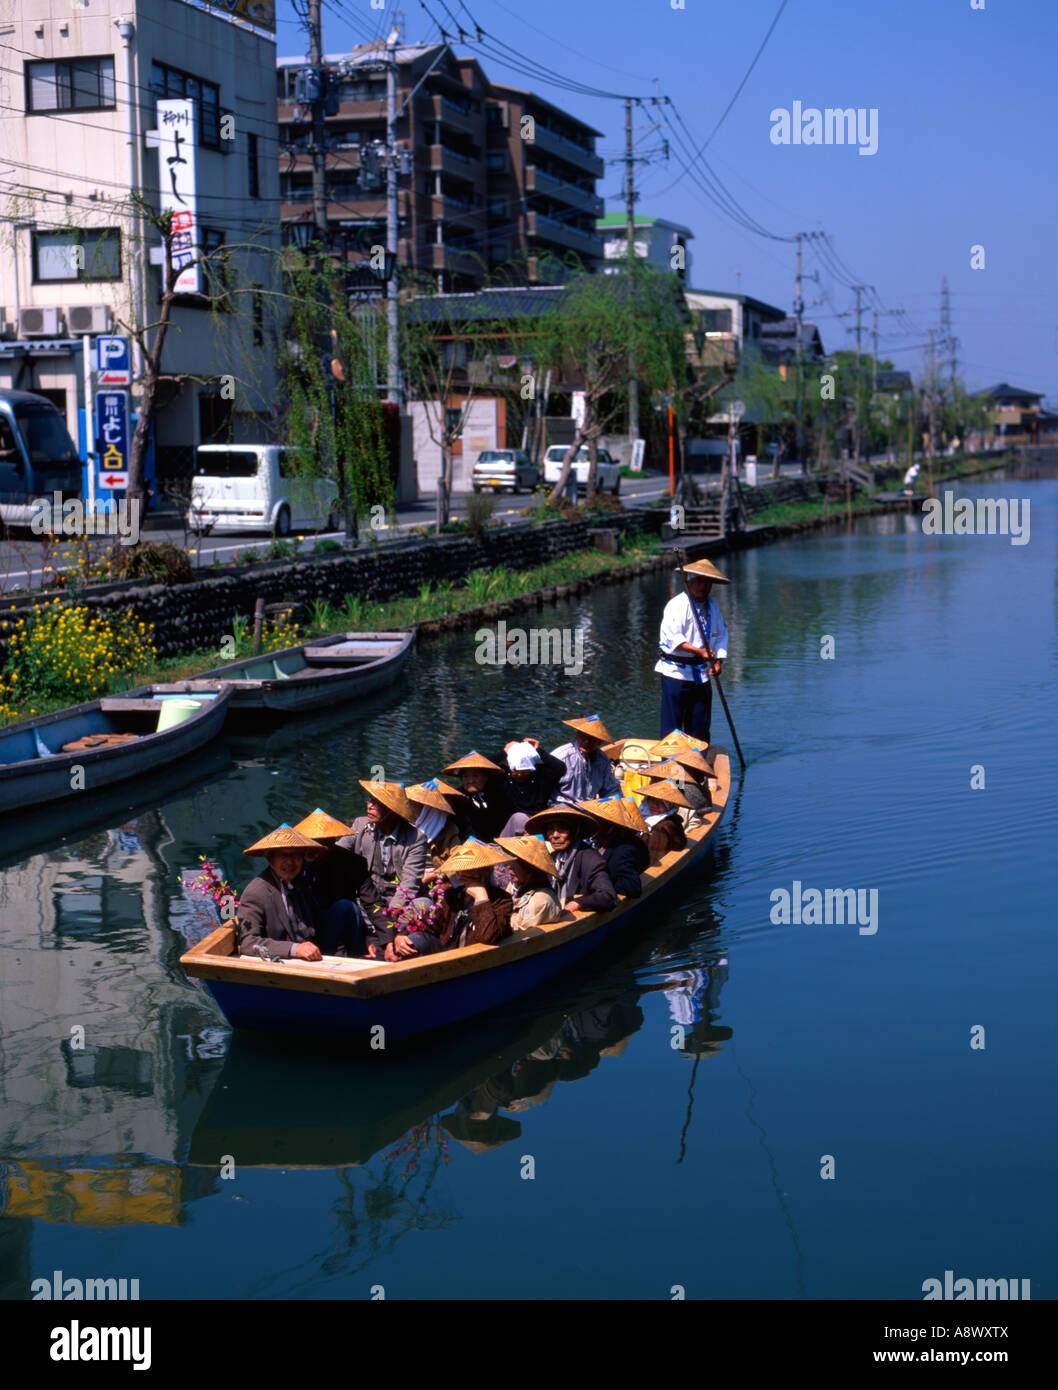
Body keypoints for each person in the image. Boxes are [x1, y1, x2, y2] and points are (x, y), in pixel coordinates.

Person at [336, 781, 428, 957]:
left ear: (392, 810)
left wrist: (389, 920)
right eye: (370, 800)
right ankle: (377, 940)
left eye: (377, 802)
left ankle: (389, 938)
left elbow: (409, 884)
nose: (369, 806)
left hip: (399, 900)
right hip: (369, 899)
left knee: (423, 904)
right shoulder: (360, 825)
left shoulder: (416, 838)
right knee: (348, 906)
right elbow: (339, 851)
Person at [385, 838, 515, 960]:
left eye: (470, 870)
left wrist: (481, 898)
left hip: (476, 961)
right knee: (412, 940)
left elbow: (488, 936)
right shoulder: (453, 896)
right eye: (462, 870)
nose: (463, 875)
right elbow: (431, 925)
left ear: (484, 873)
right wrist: (402, 935)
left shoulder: (502, 900)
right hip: (448, 953)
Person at [655, 557, 730, 742]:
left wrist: (718, 661)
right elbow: (675, 638)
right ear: (689, 581)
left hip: (701, 673)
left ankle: (698, 764)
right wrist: (700, 652)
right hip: (676, 673)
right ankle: (670, 764)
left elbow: (721, 634)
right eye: (699, 581)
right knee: (673, 728)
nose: (703, 586)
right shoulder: (677, 605)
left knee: (700, 727)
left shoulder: (713, 605)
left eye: (707, 582)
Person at [236, 825, 326, 962]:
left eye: (295, 855)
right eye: (283, 855)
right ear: (271, 859)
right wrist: (296, 949)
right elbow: (248, 943)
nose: (290, 862)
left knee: (345, 909)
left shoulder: (301, 882)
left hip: (315, 953)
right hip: (284, 962)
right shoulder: (256, 892)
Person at [525, 806, 617, 913]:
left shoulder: (590, 858)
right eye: (551, 829)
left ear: (575, 832)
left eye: (562, 829)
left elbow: (608, 896)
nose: (555, 835)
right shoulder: (553, 857)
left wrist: (577, 903)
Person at [487, 739, 566, 836]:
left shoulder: (541, 776)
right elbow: (483, 764)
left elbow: (560, 768)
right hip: (510, 826)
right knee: (518, 817)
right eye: (515, 770)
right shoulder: (503, 776)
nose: (519, 774)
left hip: (537, 824)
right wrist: (504, 753)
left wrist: (538, 751)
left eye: (524, 770)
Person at [577, 795, 650, 899]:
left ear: (610, 825)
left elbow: (632, 887)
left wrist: (604, 888)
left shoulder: (624, 850)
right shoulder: (600, 841)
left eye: (598, 820)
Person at [494, 832, 564, 928]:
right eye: (509, 866)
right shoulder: (514, 886)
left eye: (514, 867)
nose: (510, 871)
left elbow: (519, 931)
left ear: (529, 869)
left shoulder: (541, 900)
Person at [443, 751, 514, 842]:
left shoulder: (497, 789)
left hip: (498, 842)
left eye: (475, 776)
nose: (470, 781)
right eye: (466, 777)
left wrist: (504, 752)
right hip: (469, 845)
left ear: (486, 777)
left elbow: (495, 766)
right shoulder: (457, 797)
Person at [550, 714, 622, 805]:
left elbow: (611, 789)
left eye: (592, 739)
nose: (587, 742)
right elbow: (543, 790)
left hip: (588, 808)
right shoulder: (561, 757)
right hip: (560, 808)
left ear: (599, 742)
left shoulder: (602, 760)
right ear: (577, 735)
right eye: (583, 736)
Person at [407, 780, 461, 878]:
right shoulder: (405, 826)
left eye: (415, 806)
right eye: (410, 804)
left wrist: (433, 875)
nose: (410, 809)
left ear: (428, 811)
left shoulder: (449, 831)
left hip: (435, 878)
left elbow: (458, 862)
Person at [639, 780, 691, 864]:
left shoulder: (659, 829)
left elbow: (653, 859)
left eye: (661, 802)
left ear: (669, 805)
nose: (655, 805)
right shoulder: (669, 819)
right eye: (652, 800)